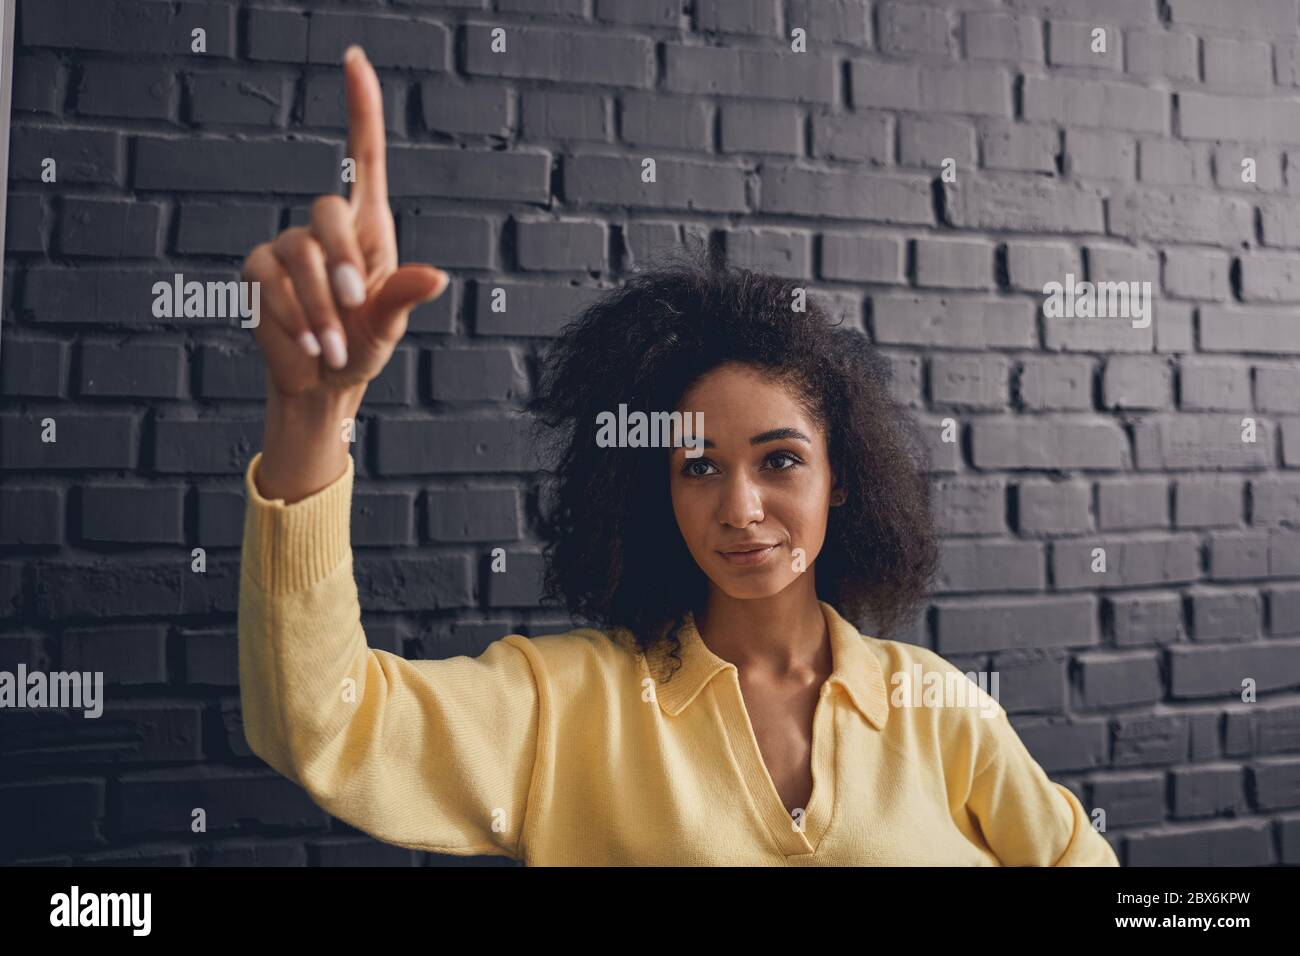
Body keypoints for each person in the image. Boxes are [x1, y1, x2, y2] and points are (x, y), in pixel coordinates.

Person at [236, 45, 1120, 866]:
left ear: (842, 479)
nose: (740, 508)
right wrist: (312, 419)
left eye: (780, 461)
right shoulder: (567, 707)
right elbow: (321, 724)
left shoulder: (937, 707)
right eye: (698, 467)